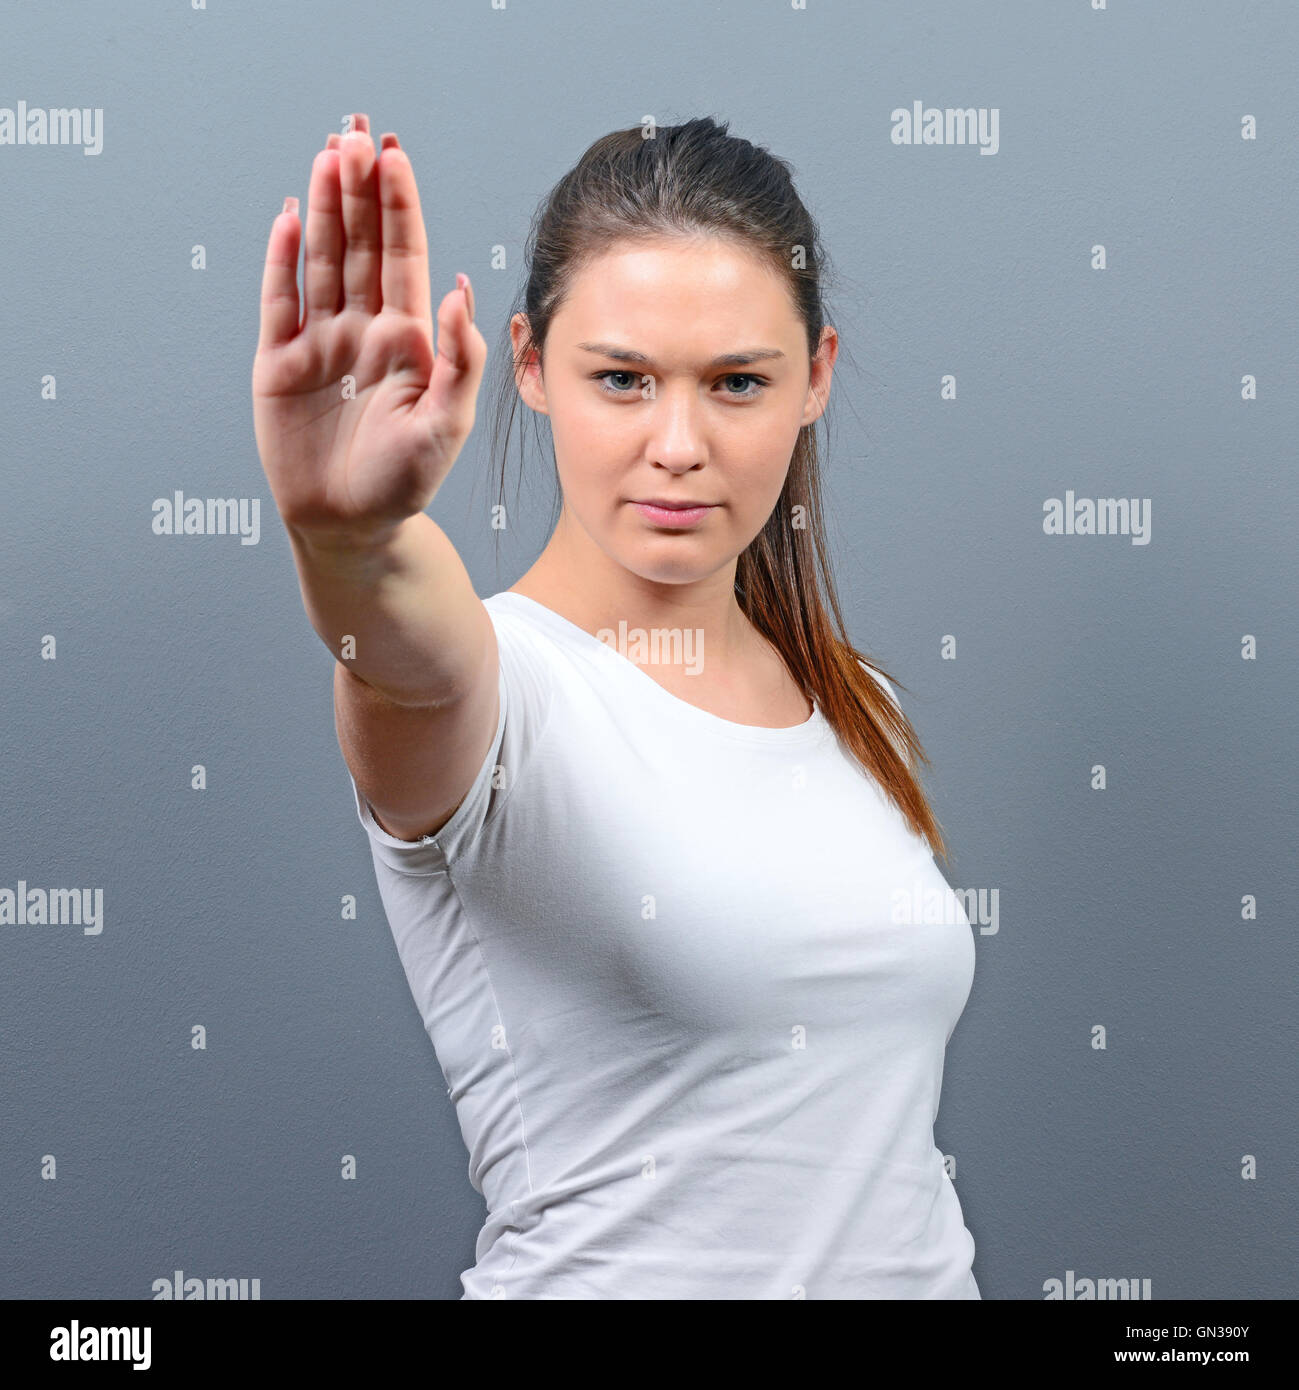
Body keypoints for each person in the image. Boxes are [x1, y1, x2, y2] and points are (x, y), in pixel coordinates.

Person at [253, 111, 981, 1300]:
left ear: (817, 379)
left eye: (738, 381)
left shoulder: (861, 707)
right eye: (623, 380)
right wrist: (348, 536)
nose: (679, 444)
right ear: (532, 367)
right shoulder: (499, 690)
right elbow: (396, 641)